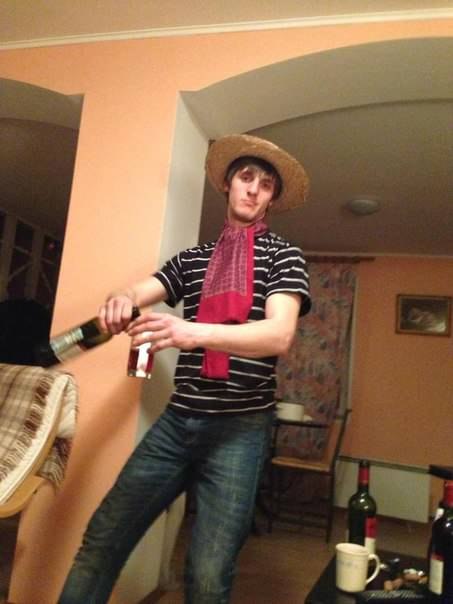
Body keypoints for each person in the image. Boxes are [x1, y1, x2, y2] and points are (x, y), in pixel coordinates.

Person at [58, 134, 311, 603]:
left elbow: (278, 335)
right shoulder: (191, 260)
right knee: (101, 543)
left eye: (266, 185)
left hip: (241, 430)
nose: (254, 190)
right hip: (178, 423)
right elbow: (137, 291)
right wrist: (120, 299)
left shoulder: (284, 256)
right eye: (246, 177)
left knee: (208, 576)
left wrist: (191, 332)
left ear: (272, 199)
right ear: (228, 184)